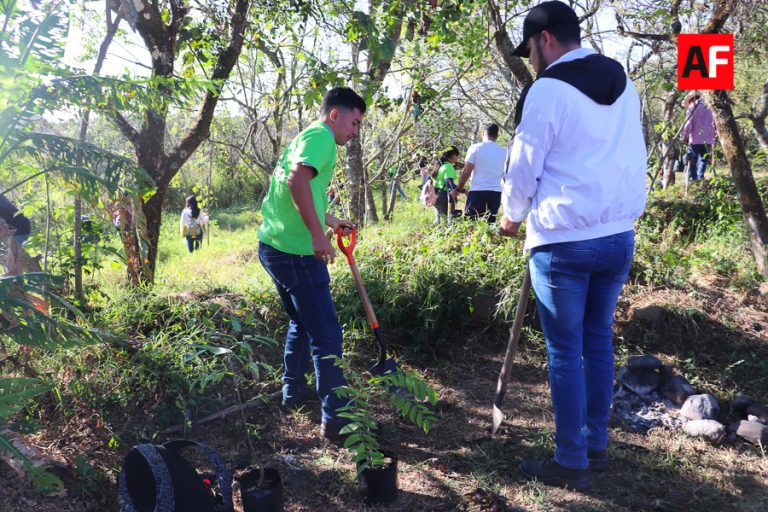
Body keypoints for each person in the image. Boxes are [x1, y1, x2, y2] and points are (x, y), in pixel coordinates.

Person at [500, 1, 647, 490]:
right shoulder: (623, 81)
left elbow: (524, 164)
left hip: (564, 241)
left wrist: (511, 216)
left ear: (544, 40)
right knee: (598, 341)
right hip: (617, 235)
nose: (530, 59)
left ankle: (570, 460)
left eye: (529, 49)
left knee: (565, 351)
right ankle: (595, 446)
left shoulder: (547, 89)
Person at [257, 86, 363, 442]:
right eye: (354, 122)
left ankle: (294, 392)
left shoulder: (306, 137)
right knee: (327, 333)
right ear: (335, 115)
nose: (355, 131)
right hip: (297, 252)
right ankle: (337, 419)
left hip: (274, 245)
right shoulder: (322, 138)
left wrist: (330, 222)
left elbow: (303, 191)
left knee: (302, 321)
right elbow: (296, 180)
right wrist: (318, 236)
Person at [450, 123, 506, 222]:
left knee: (471, 223)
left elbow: (467, 170)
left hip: (478, 191)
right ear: (497, 136)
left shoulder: (475, 148)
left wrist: (458, 189)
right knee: (490, 224)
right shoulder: (504, 152)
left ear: (483, 133)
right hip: (496, 193)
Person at [681, 92, 717, 182]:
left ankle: (694, 179)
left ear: (691, 99)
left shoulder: (691, 107)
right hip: (708, 138)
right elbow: (715, 122)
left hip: (695, 139)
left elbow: (688, 124)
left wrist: (685, 136)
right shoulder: (709, 107)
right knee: (704, 159)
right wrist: (715, 133)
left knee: (692, 159)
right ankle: (700, 177)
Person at [433, 146, 460, 225]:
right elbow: (449, 184)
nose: (457, 158)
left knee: (438, 220)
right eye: (457, 156)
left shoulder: (441, 165)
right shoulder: (448, 166)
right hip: (444, 196)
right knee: (445, 221)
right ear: (453, 155)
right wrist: (463, 190)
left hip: (436, 194)